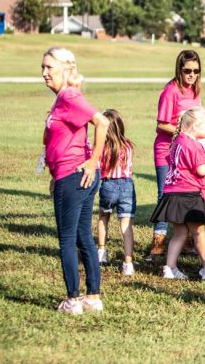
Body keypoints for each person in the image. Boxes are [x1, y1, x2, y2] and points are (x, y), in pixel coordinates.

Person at [41, 47, 110, 314]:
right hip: (69, 176)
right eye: (43, 68)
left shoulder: (68, 96)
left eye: (50, 67)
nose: (45, 73)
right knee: (82, 236)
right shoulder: (64, 97)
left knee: (67, 239)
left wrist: (93, 160)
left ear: (65, 69)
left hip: (75, 176)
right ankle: (93, 298)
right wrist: (53, 175)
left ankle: (73, 301)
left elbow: (101, 122)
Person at [151, 107, 205, 281]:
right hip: (189, 194)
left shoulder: (177, 141)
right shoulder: (194, 145)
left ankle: (169, 267)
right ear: (194, 126)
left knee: (179, 232)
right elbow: (201, 170)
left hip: (172, 194)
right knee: (199, 232)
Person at [150, 50, 202, 257]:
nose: (191, 75)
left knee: (188, 194)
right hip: (167, 151)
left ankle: (188, 240)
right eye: (187, 70)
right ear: (179, 70)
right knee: (165, 194)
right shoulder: (170, 91)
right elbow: (162, 124)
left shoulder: (195, 91)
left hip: (187, 151)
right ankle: (159, 240)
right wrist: (184, 131)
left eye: (196, 71)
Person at [96, 108, 136, 277]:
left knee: (103, 217)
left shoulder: (102, 147)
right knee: (126, 224)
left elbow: (98, 168)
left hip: (108, 185)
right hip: (127, 185)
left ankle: (101, 251)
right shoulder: (128, 145)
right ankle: (128, 263)